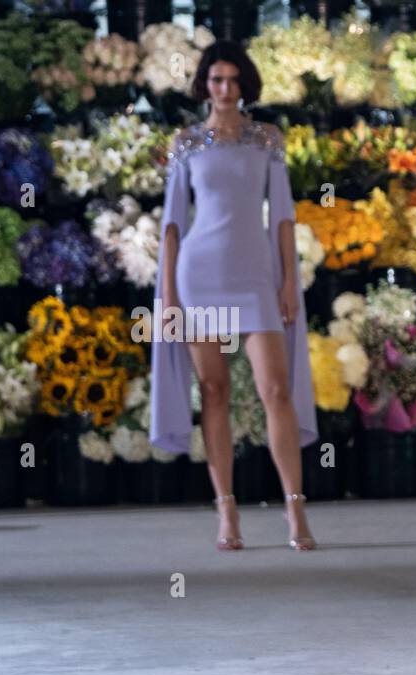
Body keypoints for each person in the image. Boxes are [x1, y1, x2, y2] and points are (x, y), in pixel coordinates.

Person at [149, 39, 319, 551]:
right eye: (216, 80)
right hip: (199, 276)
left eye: (233, 80)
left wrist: (290, 280)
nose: (224, 89)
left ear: (244, 86)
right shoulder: (186, 144)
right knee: (215, 393)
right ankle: (227, 514)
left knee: (277, 391)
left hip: (255, 276)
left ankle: (295, 511)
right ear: (205, 85)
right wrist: (168, 295)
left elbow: (284, 216)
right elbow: (174, 224)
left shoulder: (267, 140)